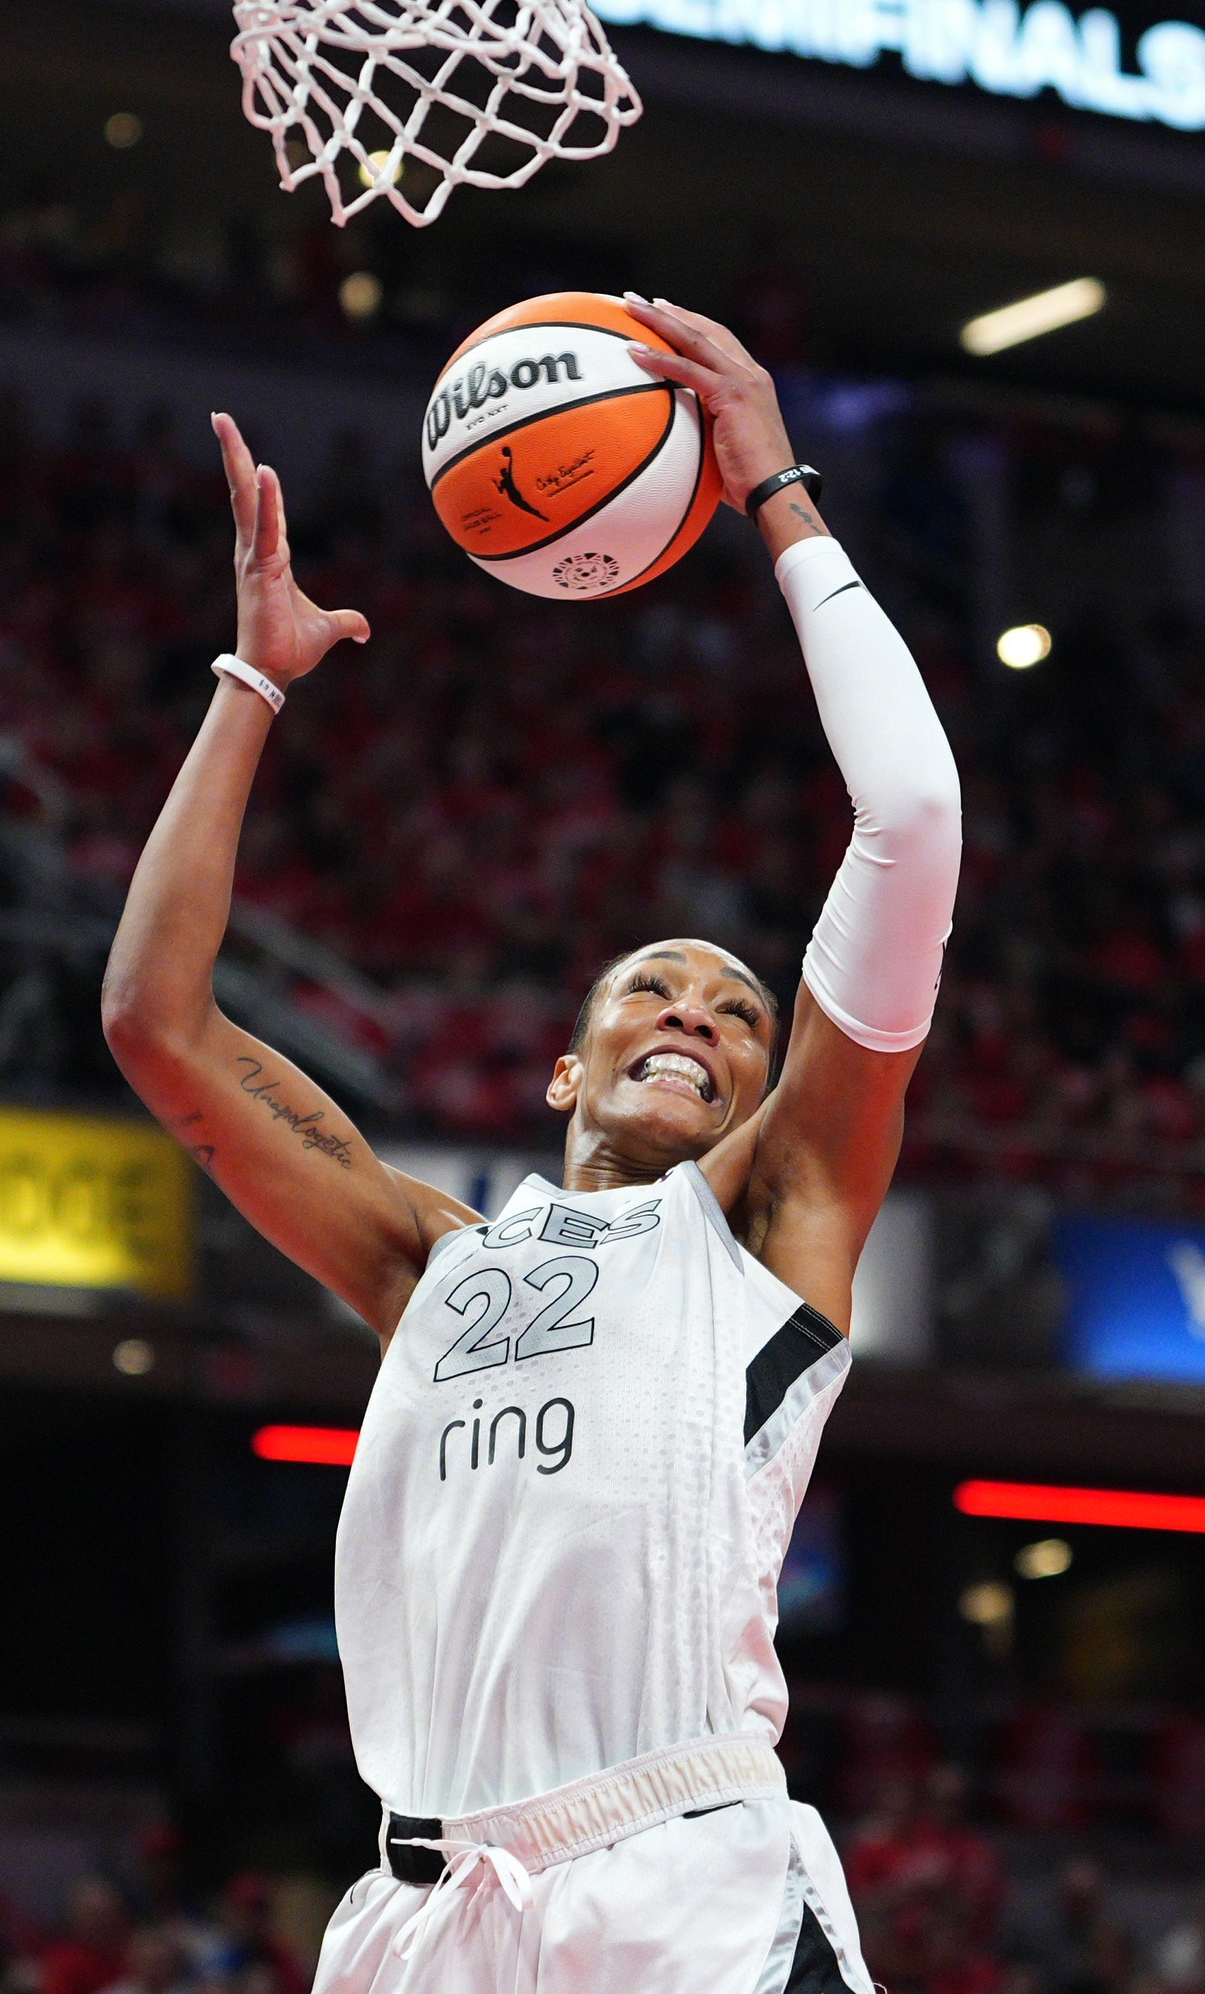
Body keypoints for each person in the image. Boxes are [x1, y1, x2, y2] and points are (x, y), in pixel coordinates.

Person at [102, 298, 961, 1994]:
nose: (697, 1013)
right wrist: (250, 684)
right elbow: (155, 1022)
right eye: (653, 988)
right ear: (566, 1070)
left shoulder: (763, 1224)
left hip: (679, 1881)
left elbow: (912, 816)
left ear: (763, 1093)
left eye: (738, 1013)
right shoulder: (430, 1259)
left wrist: (773, 485)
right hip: (425, 1912)